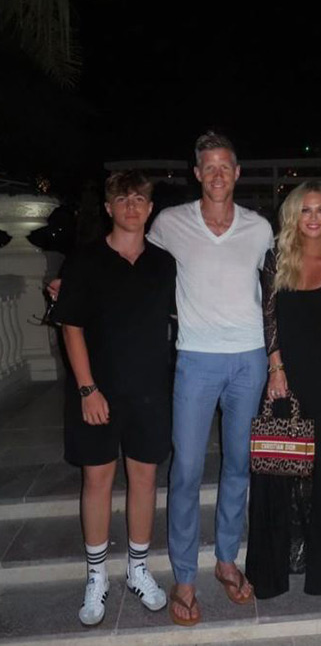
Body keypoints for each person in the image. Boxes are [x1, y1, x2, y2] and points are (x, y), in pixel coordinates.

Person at [147, 131, 274, 626]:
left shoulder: (259, 228)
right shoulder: (169, 222)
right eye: (209, 167)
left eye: (226, 166)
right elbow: (136, 262)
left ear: (236, 173)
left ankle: (225, 559)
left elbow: (280, 285)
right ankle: (184, 575)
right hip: (196, 360)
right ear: (197, 173)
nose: (218, 174)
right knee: (185, 469)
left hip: (249, 358)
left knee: (239, 464)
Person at [51, 170, 176, 626]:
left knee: (145, 479)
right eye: (122, 199)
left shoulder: (164, 263)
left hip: (150, 392)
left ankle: (138, 569)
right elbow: (71, 326)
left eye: (139, 199)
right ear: (108, 208)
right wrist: (87, 388)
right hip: (96, 393)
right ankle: (97, 575)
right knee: (98, 479)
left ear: (150, 207)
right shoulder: (85, 261)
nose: (131, 206)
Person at [245, 181, 321, 604]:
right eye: (305, 210)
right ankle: (274, 571)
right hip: (287, 379)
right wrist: (275, 368)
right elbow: (269, 319)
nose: (313, 218)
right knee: (279, 472)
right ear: (293, 215)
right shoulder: (276, 259)